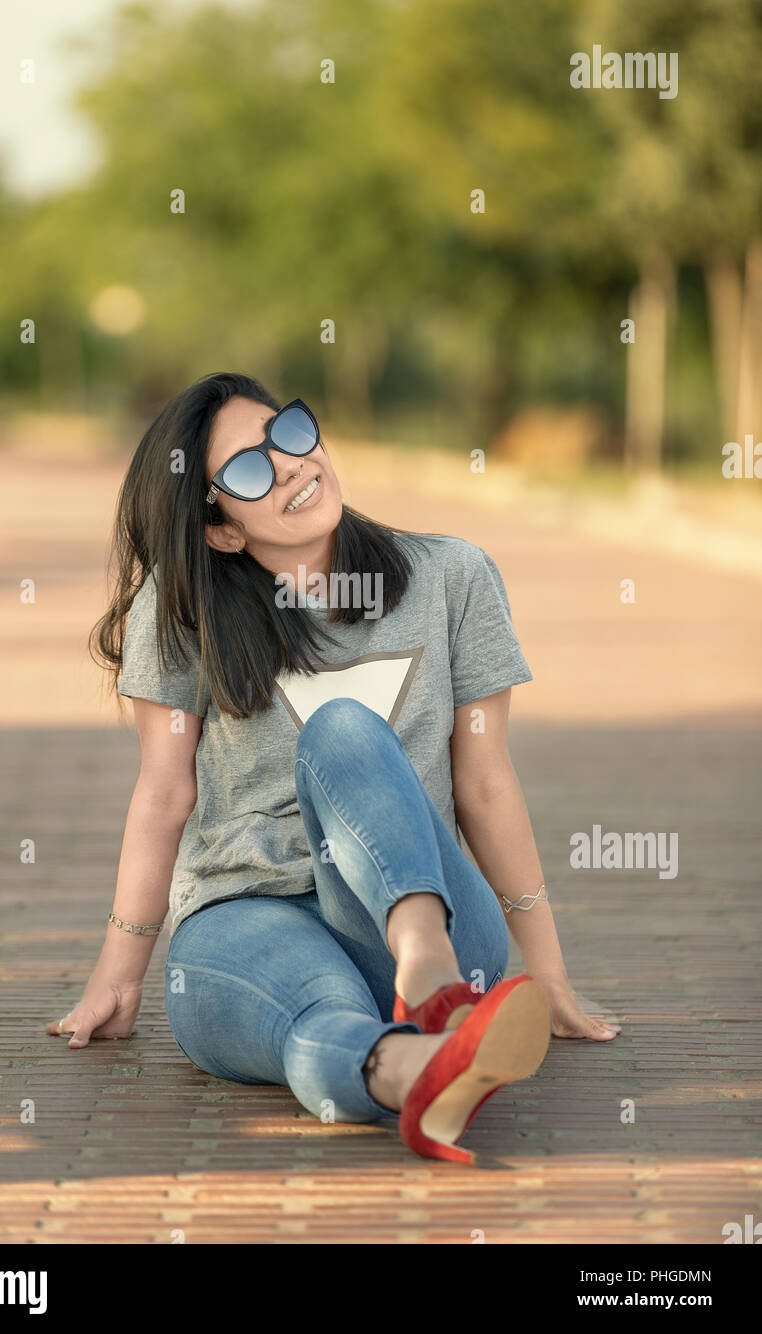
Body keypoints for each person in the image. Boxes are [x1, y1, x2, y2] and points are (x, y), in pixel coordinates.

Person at [46, 371, 620, 1165]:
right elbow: (163, 793)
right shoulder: (181, 612)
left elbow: (484, 783)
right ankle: (416, 1070)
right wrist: (118, 975)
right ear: (220, 530)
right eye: (247, 468)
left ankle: (429, 973)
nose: (287, 464)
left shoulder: (453, 577)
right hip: (244, 919)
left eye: (288, 433)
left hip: (434, 918)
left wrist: (549, 972)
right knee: (316, 1018)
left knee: (342, 731)